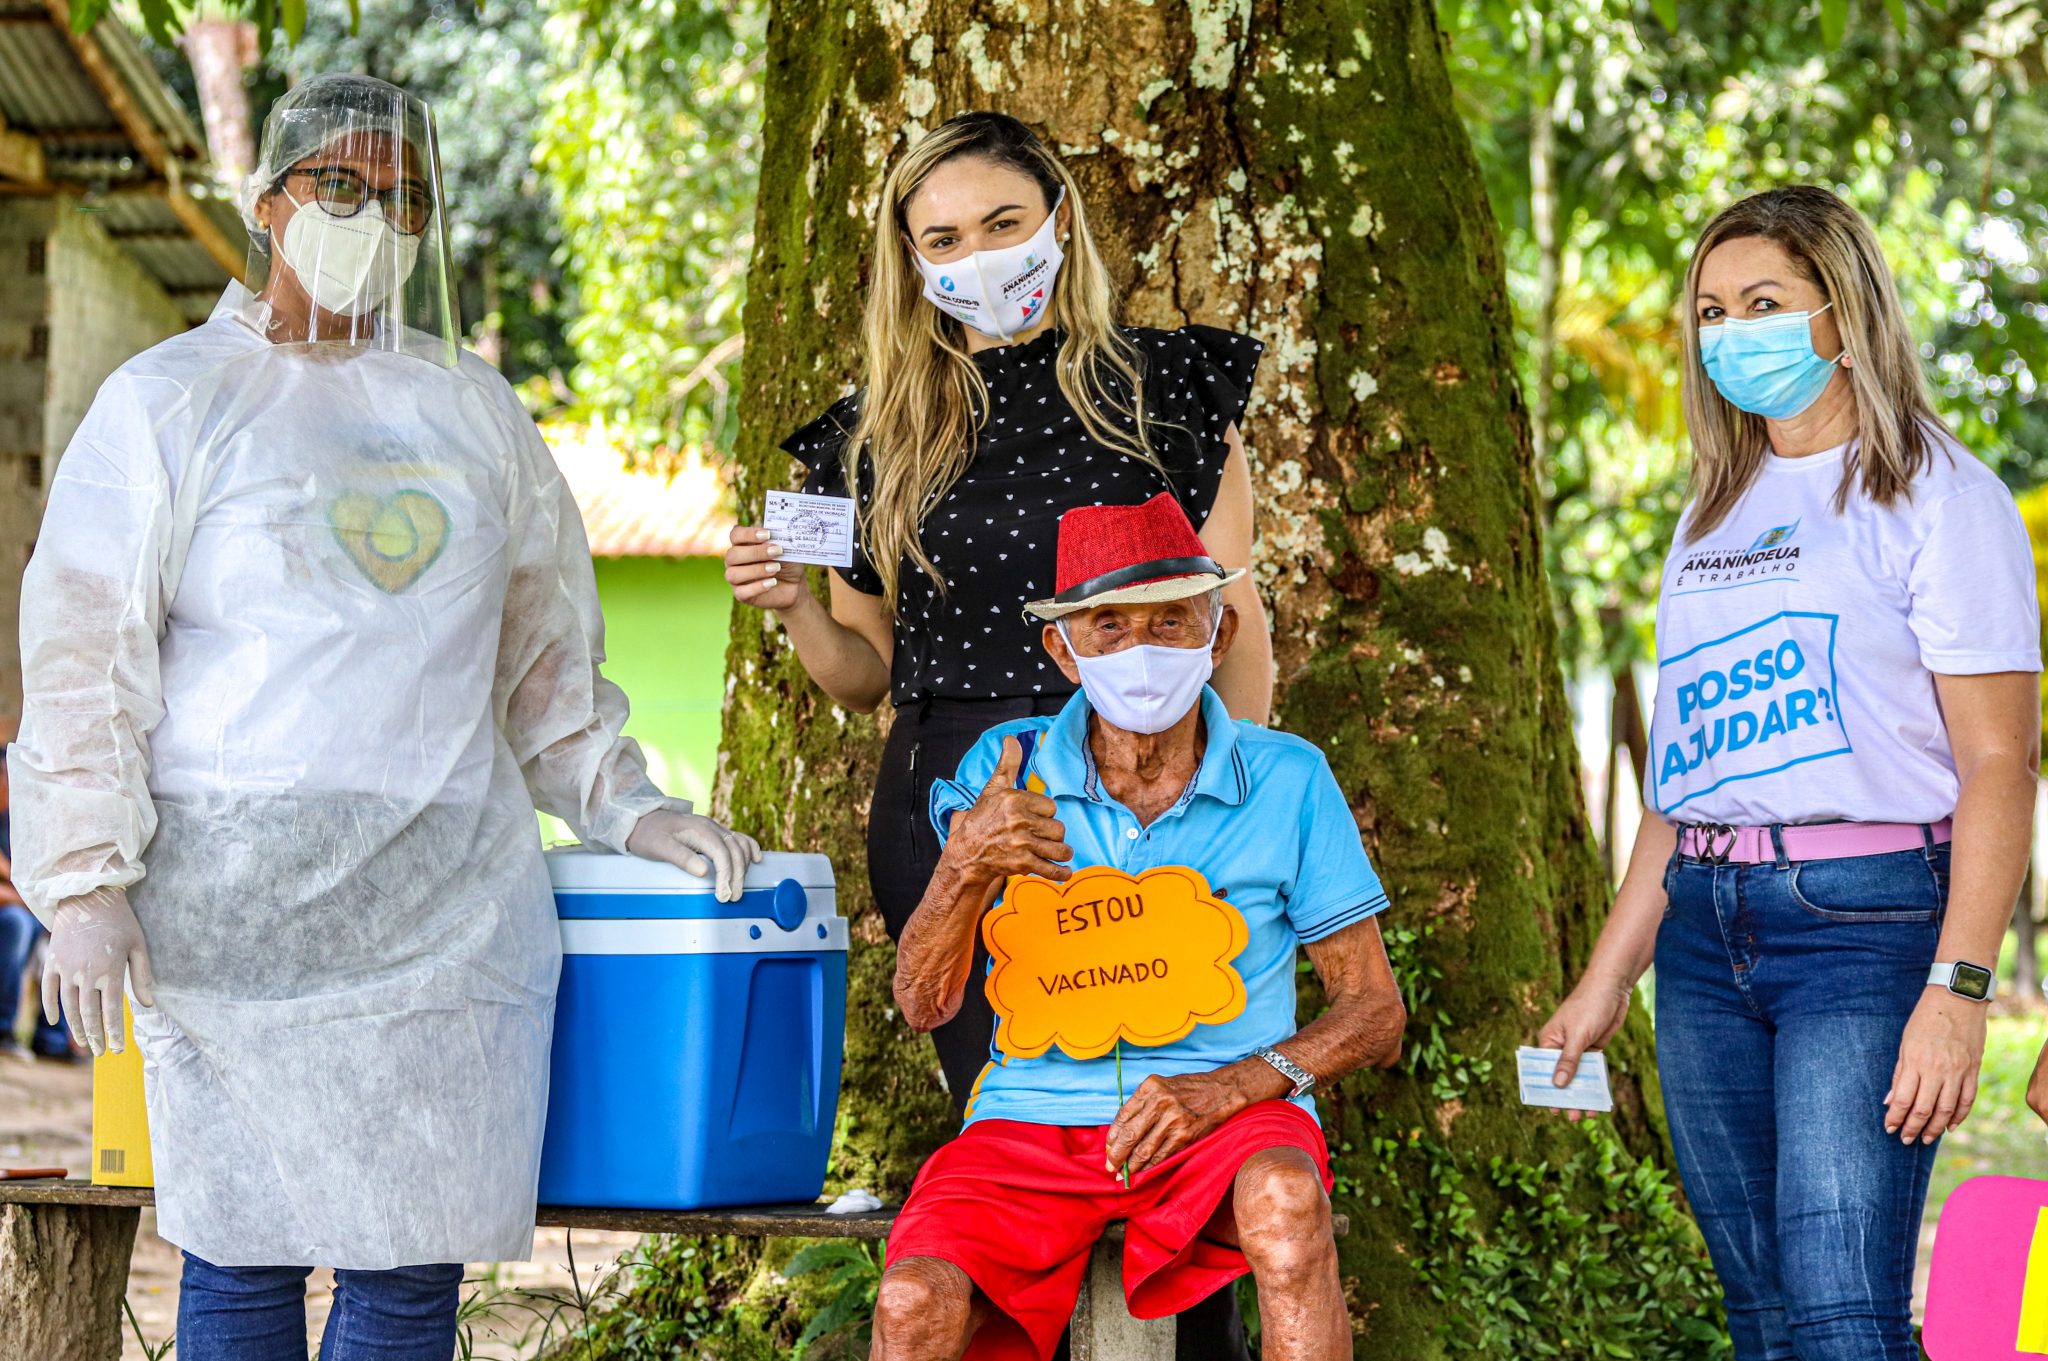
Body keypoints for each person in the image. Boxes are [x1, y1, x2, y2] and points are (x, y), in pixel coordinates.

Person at [10, 74, 760, 1361]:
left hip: (446, 916)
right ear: (268, 203)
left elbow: (542, 658)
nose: (374, 216)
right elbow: (87, 649)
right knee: (240, 1254)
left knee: (410, 1267)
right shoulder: (171, 402)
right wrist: (83, 877)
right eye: (342, 185)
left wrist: (629, 805)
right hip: (233, 911)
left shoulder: (473, 414)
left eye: (406, 197)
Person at [725, 110, 1274, 1355]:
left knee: (1172, 1145)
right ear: (909, 260)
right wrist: (795, 608)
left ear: (1057, 221)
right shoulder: (871, 436)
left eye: (1001, 223)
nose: (976, 255)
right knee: (1019, 1154)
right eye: (942, 238)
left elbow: (1234, 621)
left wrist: (1230, 808)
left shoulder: (1170, 390)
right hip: (953, 814)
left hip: (1147, 798)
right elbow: (863, 673)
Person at [1538, 185, 2041, 1361]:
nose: (1730, 333)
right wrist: (1606, 979)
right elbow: (1682, 784)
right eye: (1710, 311)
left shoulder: (1938, 497)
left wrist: (1957, 990)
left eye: (1762, 302)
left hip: (1862, 926)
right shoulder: (1709, 515)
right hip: (1701, 936)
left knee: (1839, 1313)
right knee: (1759, 1313)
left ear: (1840, 312)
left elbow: (1999, 760)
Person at [873, 494, 1405, 1361]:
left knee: (1286, 1203)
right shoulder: (1004, 773)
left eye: (1170, 621)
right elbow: (923, 1001)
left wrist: (1232, 1086)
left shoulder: (1289, 778)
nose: (1142, 649)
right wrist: (965, 863)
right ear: (1063, 649)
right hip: (1032, 1122)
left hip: (1228, 1120)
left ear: (1218, 635)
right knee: (909, 1301)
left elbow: (1376, 1011)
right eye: (1109, 625)